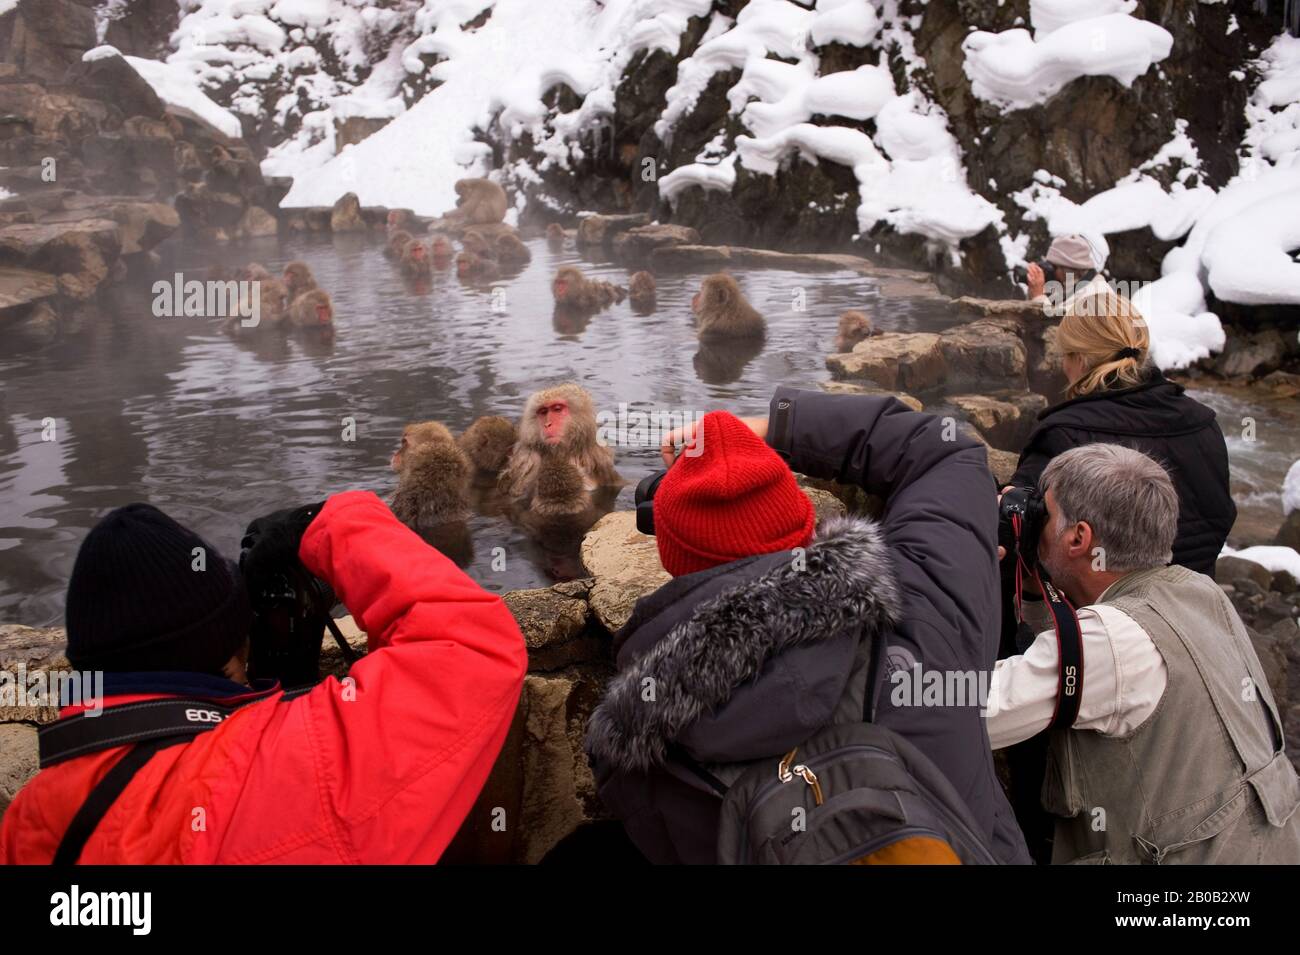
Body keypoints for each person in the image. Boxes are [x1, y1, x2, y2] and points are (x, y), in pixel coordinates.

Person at [585, 394, 1031, 865]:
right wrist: (776, 426)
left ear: (671, 559)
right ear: (808, 523)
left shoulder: (641, 743)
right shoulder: (929, 597)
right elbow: (944, 450)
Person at [0, 491, 527, 864]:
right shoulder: (296, 766)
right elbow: (475, 645)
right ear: (234, 647)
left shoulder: (30, 818)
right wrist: (328, 523)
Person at [987, 444, 1300, 864]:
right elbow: (1080, 660)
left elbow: (958, 709)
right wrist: (1031, 583)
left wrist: (958, 564)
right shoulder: (1198, 589)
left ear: (1079, 538)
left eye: (1044, 512)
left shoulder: (1112, 642)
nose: (1032, 520)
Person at [1009, 288, 1235, 575]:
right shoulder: (1203, 421)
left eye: (1065, 355)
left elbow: (1022, 531)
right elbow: (1220, 516)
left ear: (1078, 359)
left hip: (1100, 611)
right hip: (1194, 600)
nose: (1063, 365)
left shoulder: (1064, 434)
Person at [1025, 233, 1111, 315]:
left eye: (1053, 267)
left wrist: (1038, 296)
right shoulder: (1072, 286)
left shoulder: (1094, 294)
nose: (1050, 271)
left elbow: (1060, 326)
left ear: (1067, 270)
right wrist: (1034, 290)